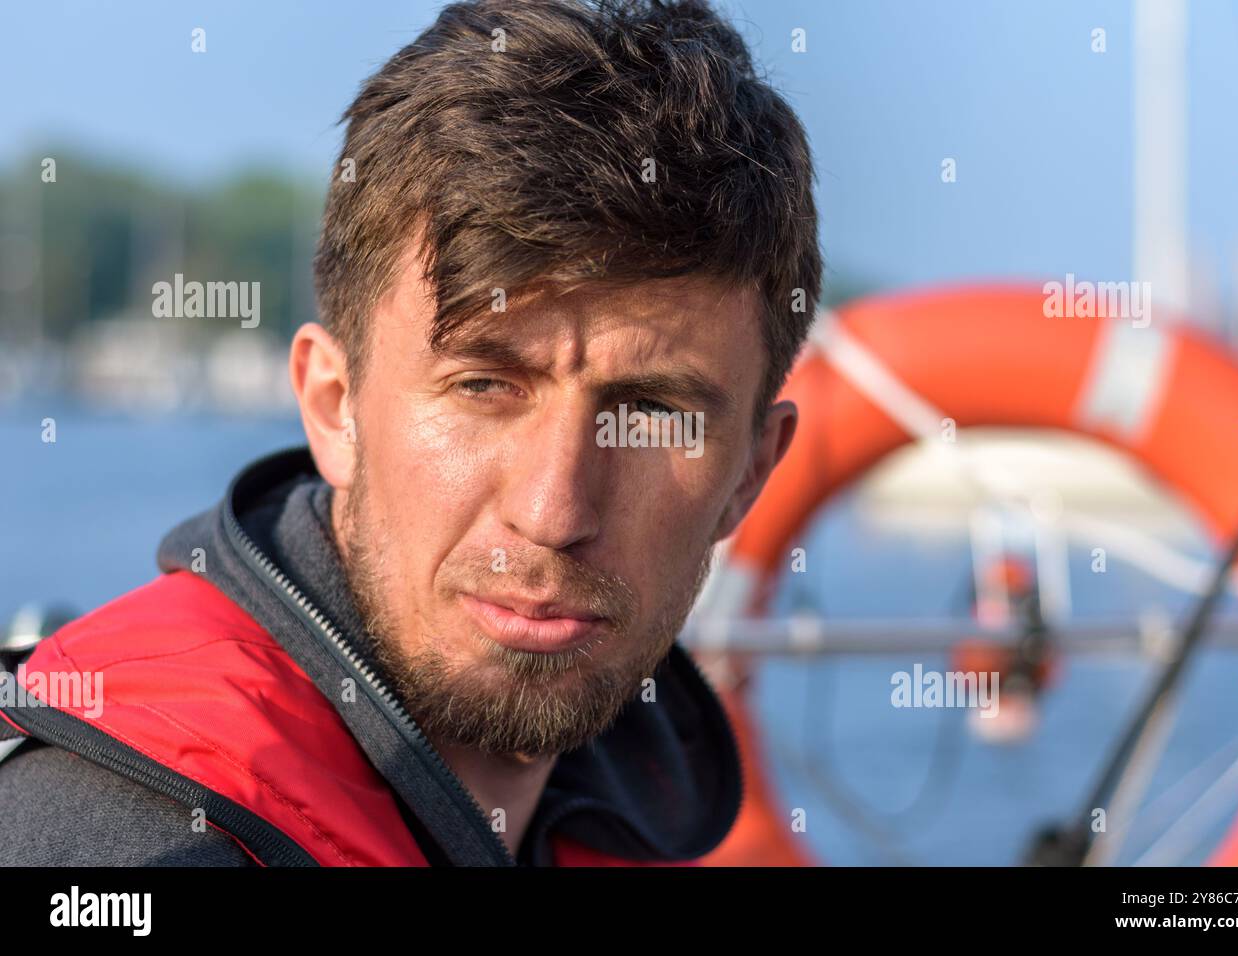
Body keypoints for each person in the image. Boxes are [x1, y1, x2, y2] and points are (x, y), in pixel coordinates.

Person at [0, 0, 821, 866]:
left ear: (748, 475)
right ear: (333, 407)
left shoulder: (618, 807)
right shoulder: (106, 848)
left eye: (650, 414)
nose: (553, 511)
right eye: (482, 385)